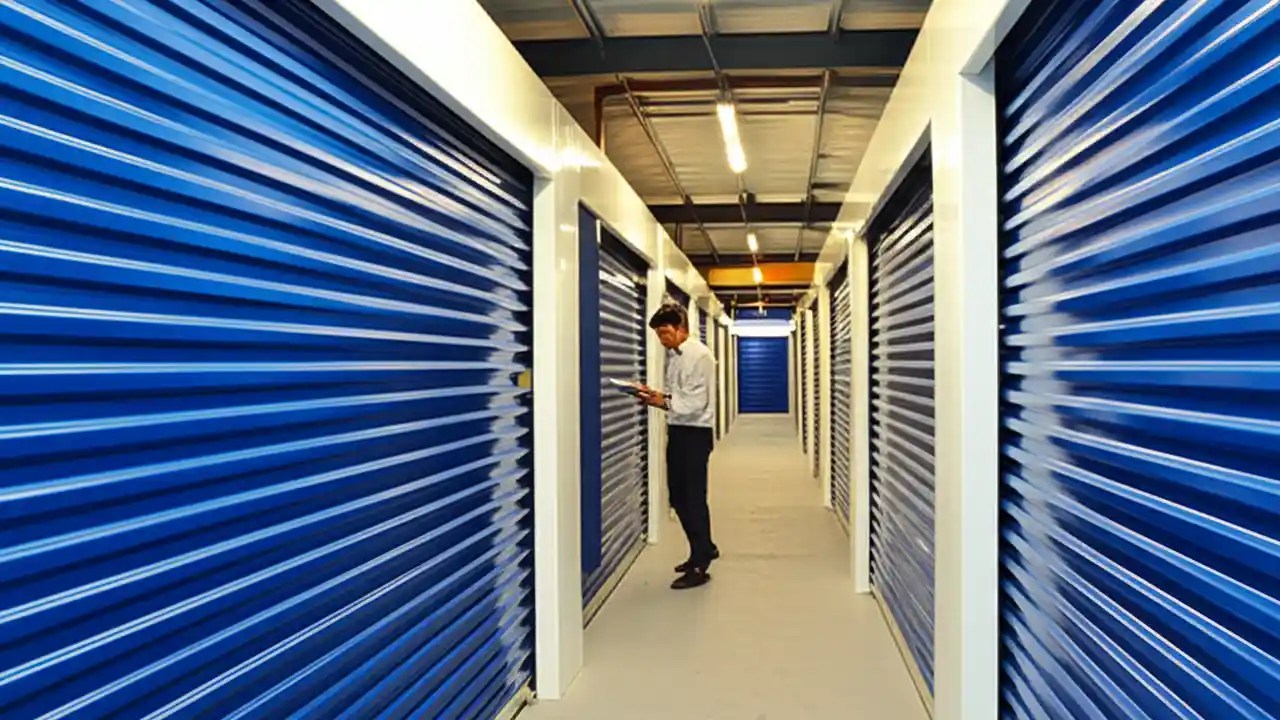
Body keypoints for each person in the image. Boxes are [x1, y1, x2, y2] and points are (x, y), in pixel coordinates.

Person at [637, 303, 719, 590]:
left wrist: (663, 402)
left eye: (665, 333)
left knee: (692, 498)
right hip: (680, 430)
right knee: (679, 497)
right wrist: (657, 395)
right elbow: (680, 395)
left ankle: (700, 564)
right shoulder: (676, 355)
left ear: (681, 328)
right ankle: (704, 547)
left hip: (694, 434)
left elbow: (697, 402)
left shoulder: (700, 356)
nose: (662, 339)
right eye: (659, 335)